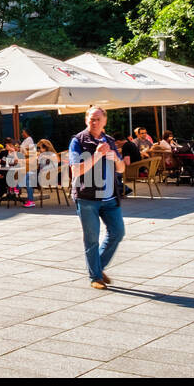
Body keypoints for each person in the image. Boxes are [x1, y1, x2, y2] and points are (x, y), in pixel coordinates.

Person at [69, 107, 125, 289]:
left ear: (105, 121)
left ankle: (97, 268)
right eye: (92, 119)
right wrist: (97, 155)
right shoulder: (78, 141)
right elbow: (76, 170)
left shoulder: (109, 140)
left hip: (110, 198)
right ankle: (95, 277)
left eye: (98, 119)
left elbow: (122, 168)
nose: (95, 122)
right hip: (87, 198)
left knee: (118, 232)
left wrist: (115, 158)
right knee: (91, 238)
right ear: (86, 120)